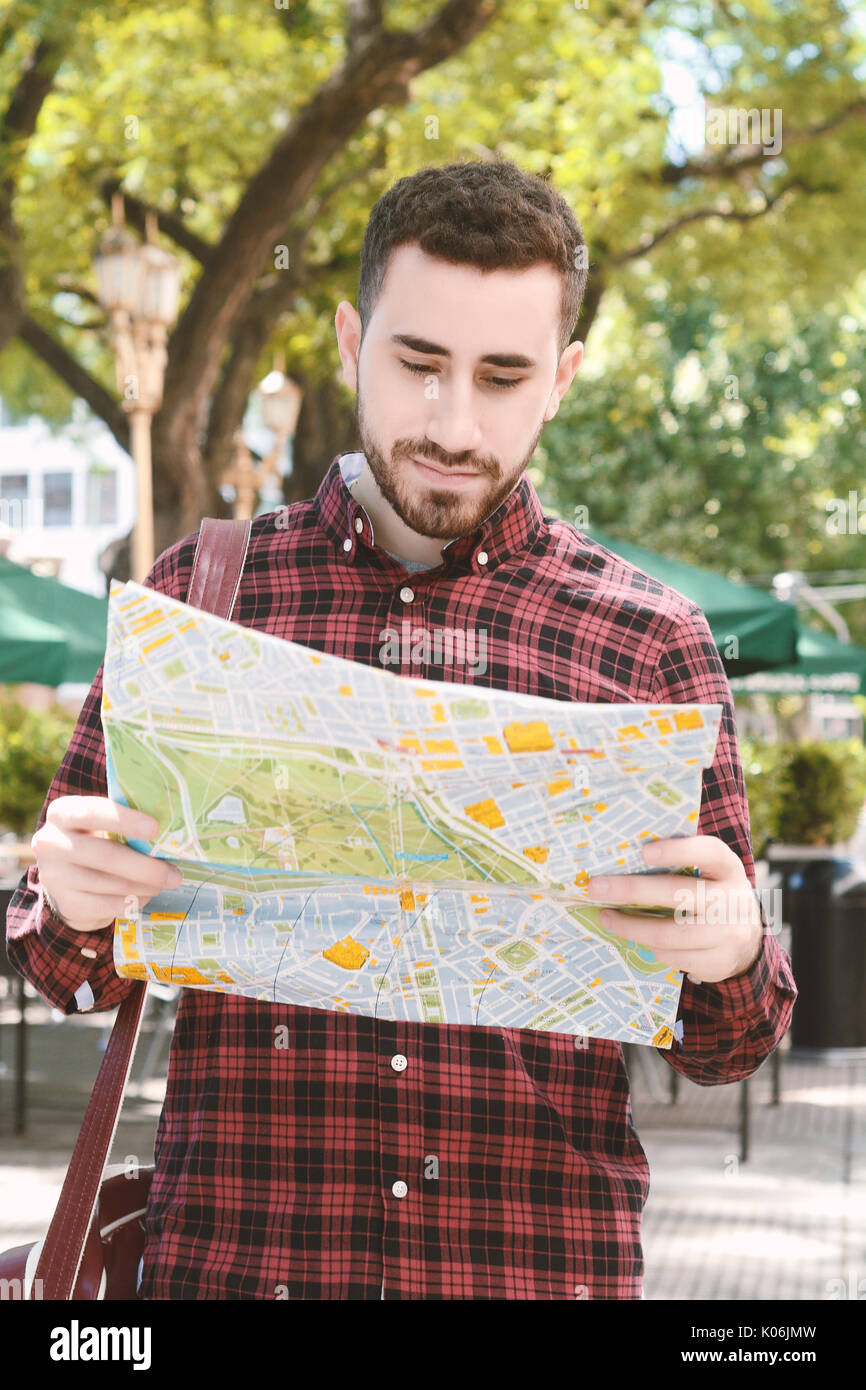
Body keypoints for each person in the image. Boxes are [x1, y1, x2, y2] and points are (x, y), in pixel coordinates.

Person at [6, 159, 797, 1301]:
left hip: (527, 1274)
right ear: (348, 342)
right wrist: (73, 903)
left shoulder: (649, 645)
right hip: (239, 1270)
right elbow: (55, 968)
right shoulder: (202, 597)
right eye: (416, 363)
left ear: (562, 379)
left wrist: (728, 949)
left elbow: (730, 1041)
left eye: (502, 376)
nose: (451, 422)